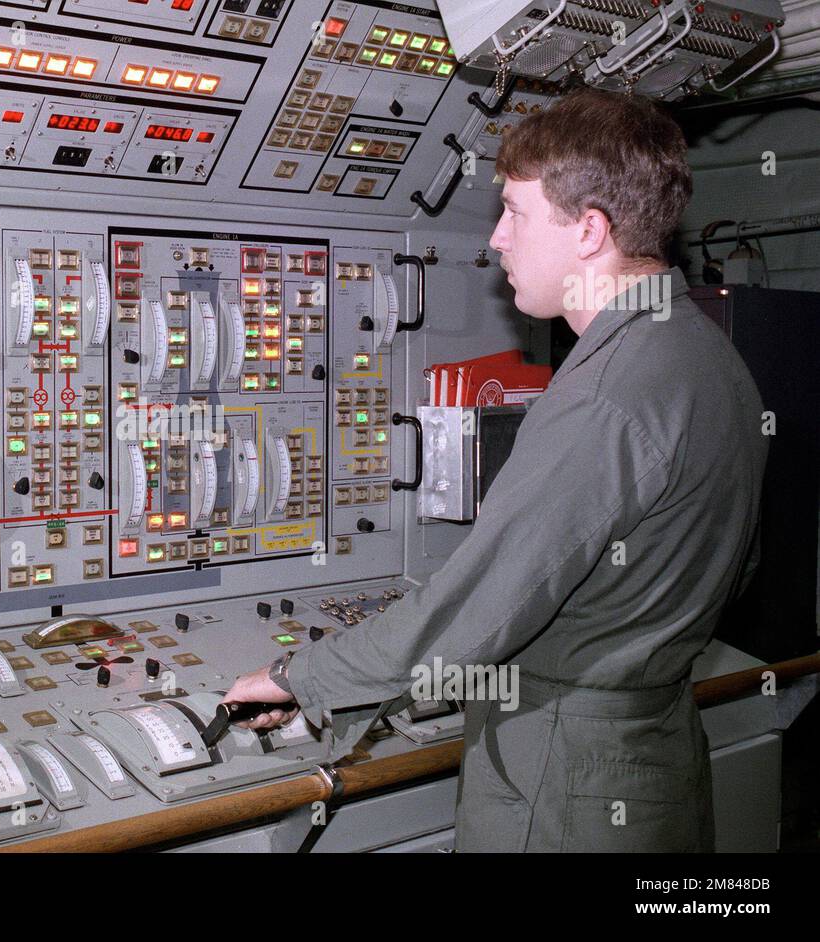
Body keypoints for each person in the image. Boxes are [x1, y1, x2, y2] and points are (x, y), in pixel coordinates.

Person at [223, 88, 768, 852]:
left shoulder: (604, 397)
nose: (498, 239)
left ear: (589, 230)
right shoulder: (709, 360)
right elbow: (736, 569)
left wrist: (300, 678)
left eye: (514, 212)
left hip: (560, 777)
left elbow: (480, 608)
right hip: (653, 755)